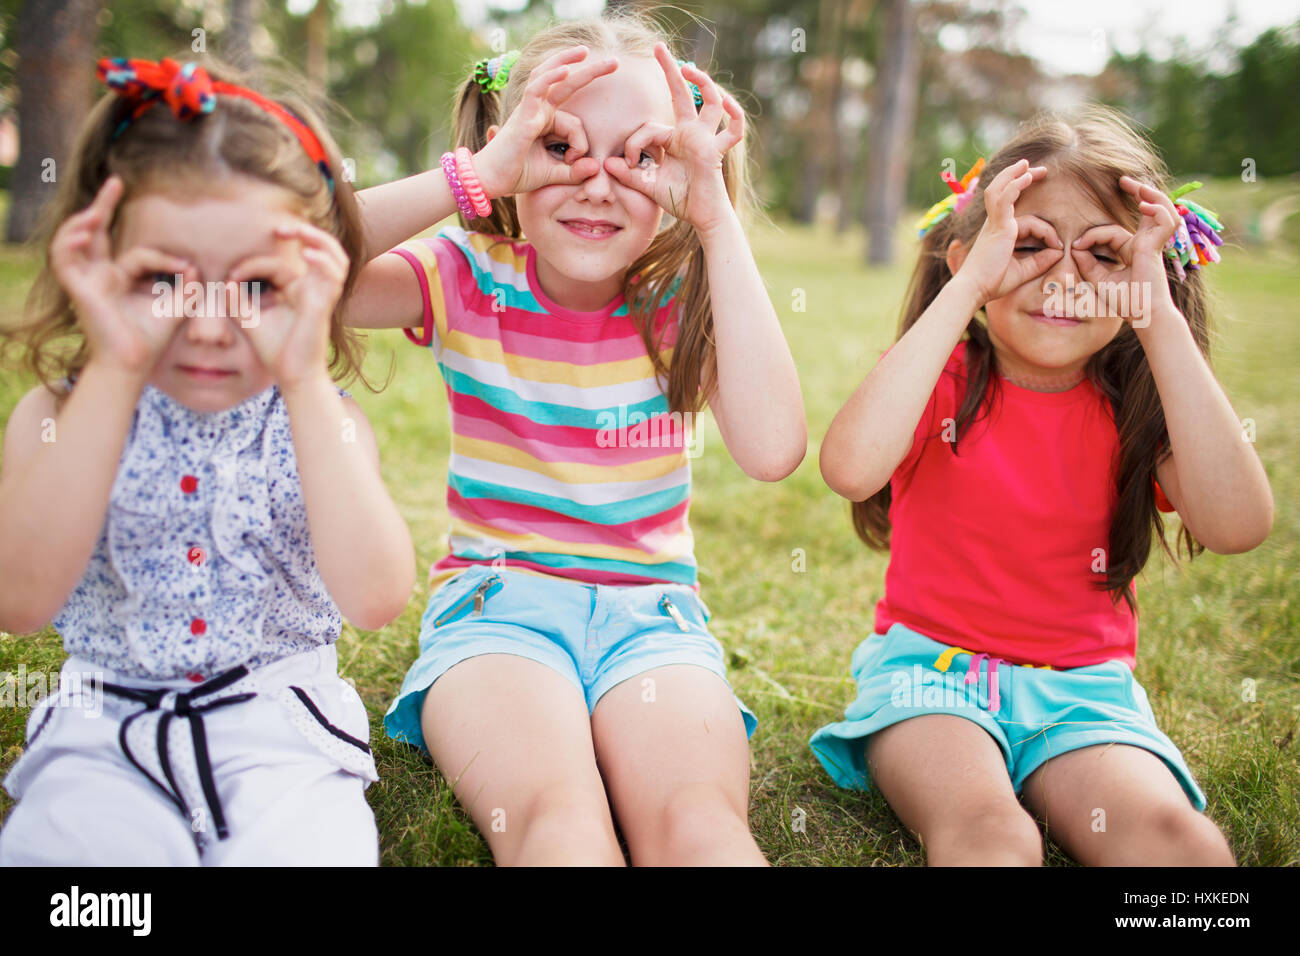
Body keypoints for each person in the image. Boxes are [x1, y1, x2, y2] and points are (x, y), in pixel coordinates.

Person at [345, 13, 805, 865]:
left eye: (640, 155)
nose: (597, 184)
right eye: (560, 147)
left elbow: (774, 448)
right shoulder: (466, 278)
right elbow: (293, 268)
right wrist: (474, 177)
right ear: (510, 147)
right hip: (497, 611)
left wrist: (714, 219)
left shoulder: (678, 304)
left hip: (655, 624)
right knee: (559, 826)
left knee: (700, 829)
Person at [813, 106, 1271, 866]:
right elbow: (850, 468)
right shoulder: (944, 379)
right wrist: (964, 291)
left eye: (1103, 253)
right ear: (970, 257)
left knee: (1181, 846)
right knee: (992, 836)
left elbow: (1238, 525)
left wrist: (1154, 314)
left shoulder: (1140, 406)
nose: (1062, 276)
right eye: (1027, 245)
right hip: (932, 680)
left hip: (1084, 697)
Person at [0, 57, 415, 865]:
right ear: (95, 260)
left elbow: (375, 596)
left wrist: (301, 376)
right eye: (163, 280)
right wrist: (117, 367)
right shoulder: (56, 416)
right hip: (102, 739)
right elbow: (17, 601)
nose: (212, 325)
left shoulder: (325, 422)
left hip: (282, 739)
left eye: (257, 287)